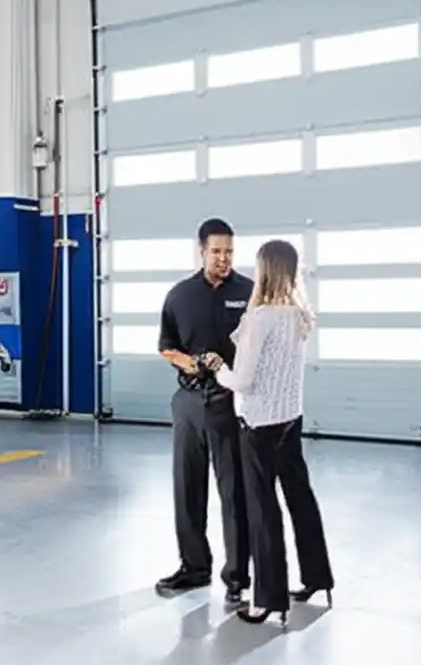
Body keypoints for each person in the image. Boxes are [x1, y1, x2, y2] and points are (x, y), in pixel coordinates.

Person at [212, 239, 335, 626]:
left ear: (264, 270)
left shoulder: (260, 317)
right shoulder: (299, 316)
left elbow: (244, 380)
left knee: (262, 509)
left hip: (259, 424)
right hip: (290, 419)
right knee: (300, 498)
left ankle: (268, 600)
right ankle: (318, 578)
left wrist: (217, 369)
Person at [155, 218, 253, 604]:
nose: (223, 259)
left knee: (235, 491)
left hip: (232, 404)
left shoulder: (249, 292)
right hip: (190, 402)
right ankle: (194, 568)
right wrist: (190, 362)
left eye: (229, 252)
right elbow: (166, 346)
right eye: (216, 252)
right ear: (201, 250)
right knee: (187, 487)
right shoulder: (179, 296)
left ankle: (237, 577)